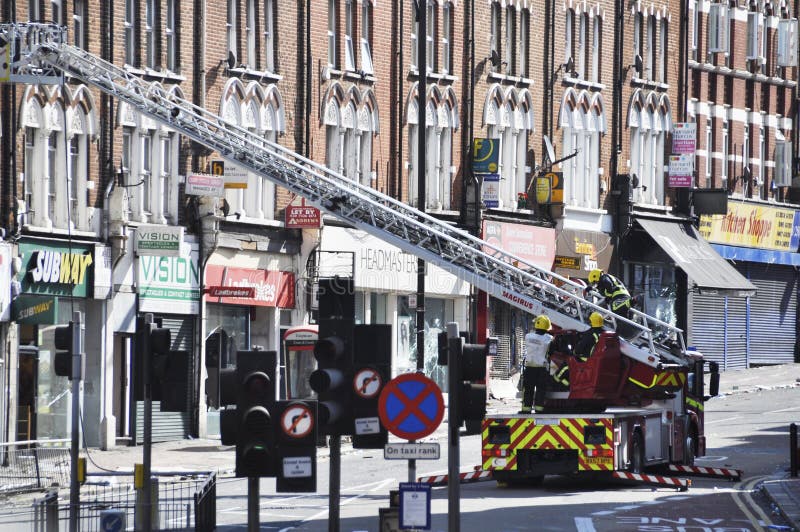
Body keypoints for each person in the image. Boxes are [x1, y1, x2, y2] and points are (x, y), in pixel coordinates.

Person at [552, 312, 605, 387]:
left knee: (566, 365)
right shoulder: (604, 333)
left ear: (591, 322)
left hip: (587, 360)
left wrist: (574, 352)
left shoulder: (590, 334)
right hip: (598, 360)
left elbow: (578, 350)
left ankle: (557, 383)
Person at [521, 315, 554, 414]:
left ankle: (526, 409)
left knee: (528, 389)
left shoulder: (528, 336)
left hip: (529, 367)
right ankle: (539, 409)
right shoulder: (549, 338)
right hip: (542, 369)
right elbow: (551, 352)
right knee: (540, 390)